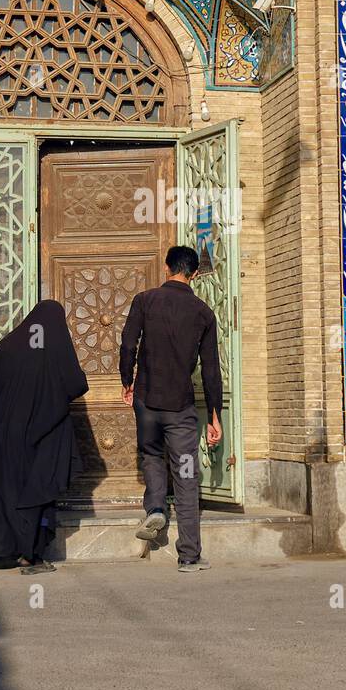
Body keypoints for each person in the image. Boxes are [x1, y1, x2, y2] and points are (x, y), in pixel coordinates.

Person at [0, 299, 88, 575]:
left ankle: (0, 551)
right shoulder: (52, 348)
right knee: (33, 491)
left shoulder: (6, 347)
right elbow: (75, 383)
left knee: (2, 490)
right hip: (38, 433)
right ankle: (28, 555)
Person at [119, 245, 223, 573]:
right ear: (194, 274)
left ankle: (155, 508)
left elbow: (127, 344)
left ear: (167, 268)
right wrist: (215, 415)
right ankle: (189, 555)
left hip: (147, 402)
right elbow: (210, 369)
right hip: (180, 407)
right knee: (187, 474)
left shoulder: (145, 301)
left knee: (152, 456)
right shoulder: (204, 313)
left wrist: (127, 381)